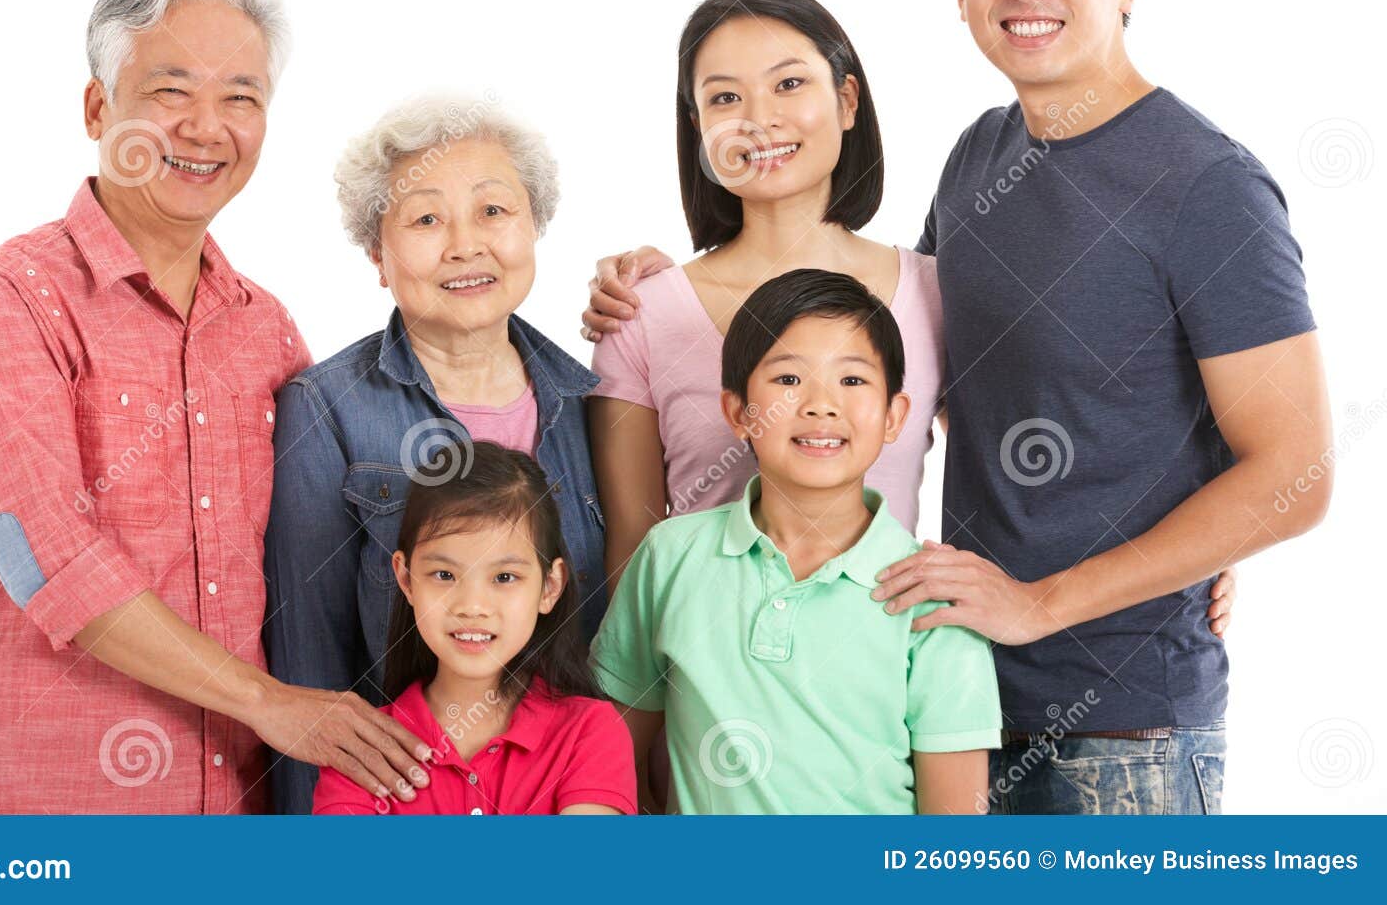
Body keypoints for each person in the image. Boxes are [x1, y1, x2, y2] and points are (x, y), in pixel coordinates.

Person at [867, 0, 1331, 814]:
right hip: (960, 706)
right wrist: (675, 285)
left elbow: (1296, 474)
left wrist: (1041, 602)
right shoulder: (977, 155)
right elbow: (911, 368)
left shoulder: (1207, 184)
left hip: (1126, 736)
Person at [0, 0, 430, 813]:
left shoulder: (266, 329)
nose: (205, 128)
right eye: (171, 90)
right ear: (97, 107)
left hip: (239, 813)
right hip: (48, 814)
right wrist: (268, 702)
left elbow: (330, 545)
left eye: (241, 98)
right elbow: (44, 555)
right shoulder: (10, 299)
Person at [265, 94, 607, 813]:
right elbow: (310, 674)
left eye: (493, 210)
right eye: (425, 219)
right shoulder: (327, 409)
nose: (464, 245)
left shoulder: (595, 402)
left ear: (534, 228)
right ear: (377, 255)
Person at [591, 269, 1001, 813]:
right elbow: (606, 764)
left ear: (894, 416)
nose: (820, 404)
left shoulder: (932, 596)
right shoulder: (670, 557)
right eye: (788, 379)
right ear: (737, 413)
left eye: (852, 380)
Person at [585, 0, 945, 593]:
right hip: (704, 650)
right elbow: (631, 559)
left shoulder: (935, 296)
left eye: (789, 83)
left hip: (882, 643)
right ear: (700, 128)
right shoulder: (641, 312)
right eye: (726, 97)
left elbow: (1002, 497)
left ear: (847, 100)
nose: (758, 120)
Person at [313, 443, 635, 815]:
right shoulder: (360, 752)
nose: (472, 606)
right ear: (406, 578)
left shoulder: (590, 733)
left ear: (549, 587)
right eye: (444, 574)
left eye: (504, 577)